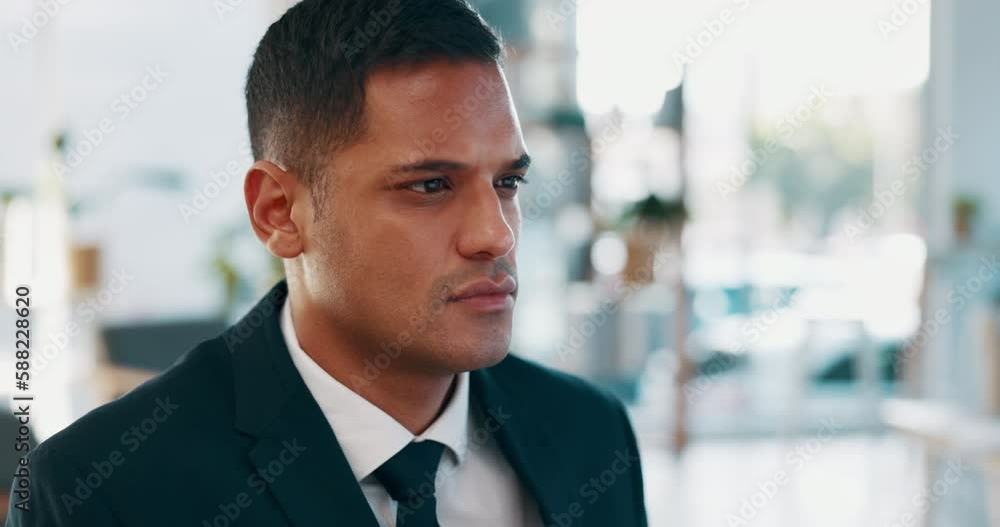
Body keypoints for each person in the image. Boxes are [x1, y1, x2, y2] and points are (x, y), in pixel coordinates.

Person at [7, 1, 648, 525]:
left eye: (507, 183)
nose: (495, 235)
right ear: (279, 213)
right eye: (430, 186)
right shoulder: (104, 489)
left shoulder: (592, 435)